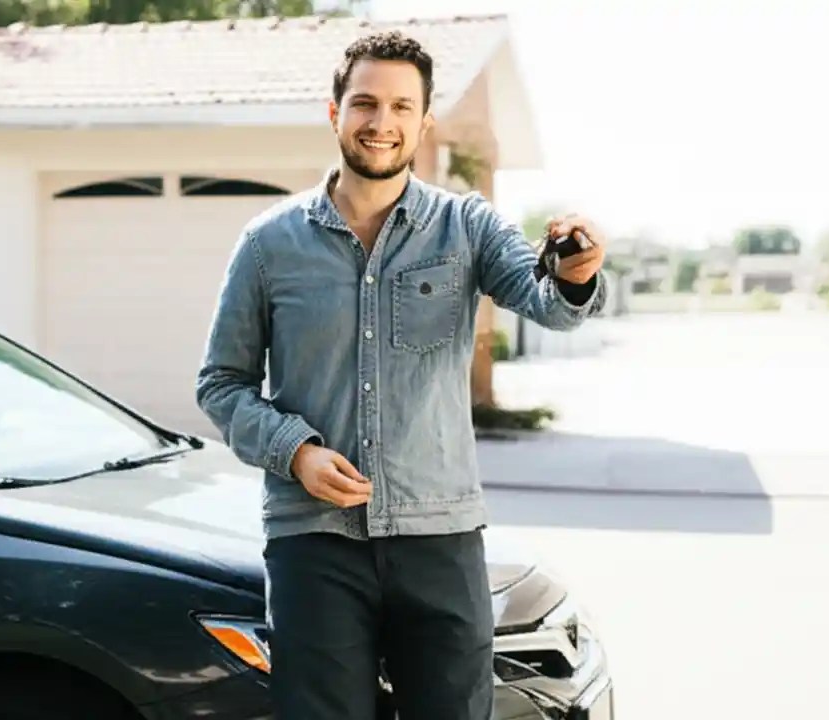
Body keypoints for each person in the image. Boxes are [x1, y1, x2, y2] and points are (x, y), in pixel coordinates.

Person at [194, 30, 608, 720]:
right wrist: (292, 451)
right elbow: (221, 383)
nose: (380, 123)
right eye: (364, 103)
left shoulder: (466, 227)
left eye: (398, 107)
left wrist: (576, 273)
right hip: (314, 540)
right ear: (335, 113)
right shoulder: (268, 244)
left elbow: (549, 305)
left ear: (423, 121)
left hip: (438, 538)